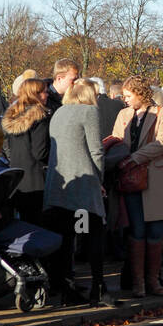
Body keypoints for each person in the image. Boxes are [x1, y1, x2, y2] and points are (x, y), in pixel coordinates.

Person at [42, 80, 109, 305]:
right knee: (93, 237)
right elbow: (96, 151)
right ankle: (98, 289)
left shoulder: (59, 112)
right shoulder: (89, 112)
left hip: (59, 187)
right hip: (83, 187)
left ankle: (67, 291)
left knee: (67, 239)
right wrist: (99, 180)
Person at [112, 77, 163, 297]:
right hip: (131, 180)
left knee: (155, 231)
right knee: (137, 230)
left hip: (156, 179)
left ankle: (153, 280)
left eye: (129, 96)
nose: (126, 100)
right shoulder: (123, 115)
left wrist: (133, 158)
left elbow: (162, 143)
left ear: (140, 94)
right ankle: (139, 283)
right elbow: (117, 141)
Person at [0, 77, 51, 226]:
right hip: (37, 178)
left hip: (17, 177)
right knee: (38, 225)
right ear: (36, 94)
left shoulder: (15, 116)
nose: (47, 95)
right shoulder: (39, 117)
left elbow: (7, 146)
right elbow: (40, 152)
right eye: (44, 92)